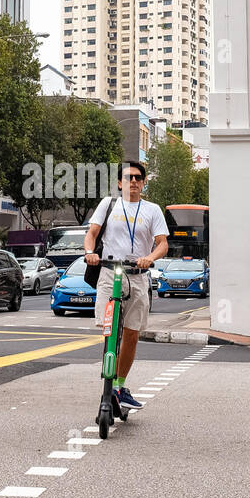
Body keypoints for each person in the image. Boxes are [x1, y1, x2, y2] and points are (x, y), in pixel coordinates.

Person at [83, 160, 169, 410]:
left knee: (132, 333)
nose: (133, 181)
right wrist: (90, 251)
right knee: (109, 330)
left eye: (138, 178)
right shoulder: (108, 204)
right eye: (128, 177)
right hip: (110, 272)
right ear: (119, 183)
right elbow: (92, 233)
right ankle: (109, 384)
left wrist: (149, 258)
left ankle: (119, 386)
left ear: (143, 184)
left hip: (138, 274)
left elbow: (162, 243)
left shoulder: (152, 210)